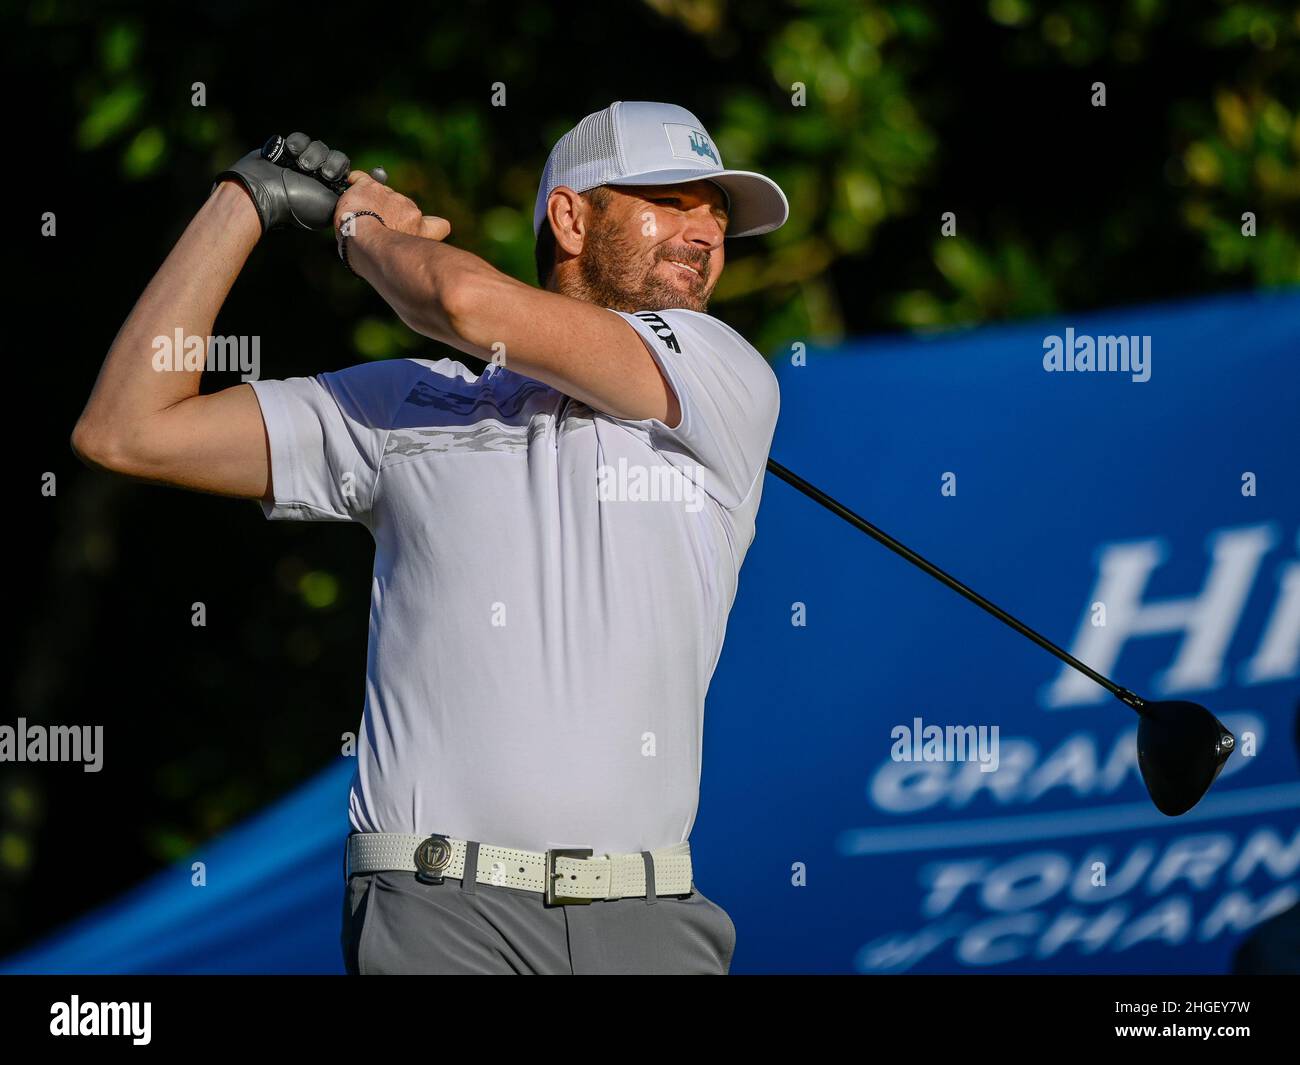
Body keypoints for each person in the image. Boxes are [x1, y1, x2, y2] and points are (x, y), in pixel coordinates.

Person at [71, 101, 788, 974]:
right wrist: (243, 203)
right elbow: (126, 429)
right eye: (670, 201)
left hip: (650, 923)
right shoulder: (403, 402)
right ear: (570, 216)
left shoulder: (719, 370)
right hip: (439, 916)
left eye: (717, 213)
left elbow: (459, 297)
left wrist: (363, 225)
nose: (704, 230)